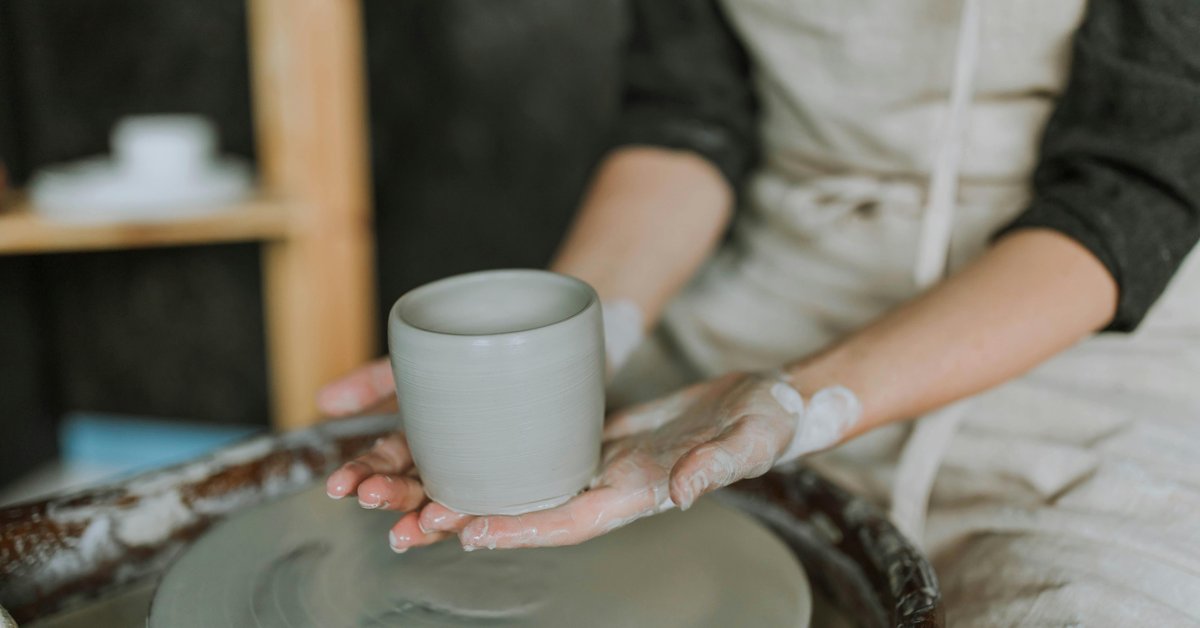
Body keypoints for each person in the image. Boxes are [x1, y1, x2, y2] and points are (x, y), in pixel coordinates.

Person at [321, 0, 1200, 623]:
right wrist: (558, 359)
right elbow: (691, 120)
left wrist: (795, 402)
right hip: (768, 298)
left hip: (1073, 323)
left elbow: (1132, 189)